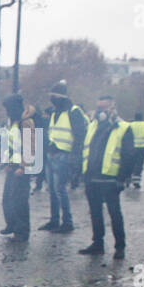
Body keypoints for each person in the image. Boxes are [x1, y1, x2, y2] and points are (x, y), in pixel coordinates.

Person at [77, 96, 132, 258]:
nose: (101, 111)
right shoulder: (93, 125)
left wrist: (122, 178)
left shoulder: (122, 127)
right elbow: (86, 148)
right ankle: (98, 243)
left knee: (114, 212)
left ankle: (120, 245)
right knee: (95, 212)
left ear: (113, 108)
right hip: (92, 176)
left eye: (104, 108)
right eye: (98, 108)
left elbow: (128, 155)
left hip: (110, 178)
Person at [40, 80, 85, 233]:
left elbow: (80, 136)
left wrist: (75, 157)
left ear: (60, 96)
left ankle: (67, 222)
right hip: (52, 154)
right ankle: (54, 220)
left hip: (64, 155)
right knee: (52, 189)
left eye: (52, 95)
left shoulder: (74, 112)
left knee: (60, 189)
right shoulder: (55, 112)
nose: (50, 98)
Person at [0, 93, 39, 242]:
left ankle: (22, 232)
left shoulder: (25, 122)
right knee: (8, 198)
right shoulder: (14, 122)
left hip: (22, 167)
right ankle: (12, 225)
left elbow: (30, 146)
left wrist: (23, 167)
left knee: (19, 200)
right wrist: (9, 164)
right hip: (14, 165)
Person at [127, 112, 144, 189]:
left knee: (131, 163)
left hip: (132, 148)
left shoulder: (130, 125)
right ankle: (136, 182)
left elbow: (127, 137)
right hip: (143, 148)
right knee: (139, 165)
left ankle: (128, 179)